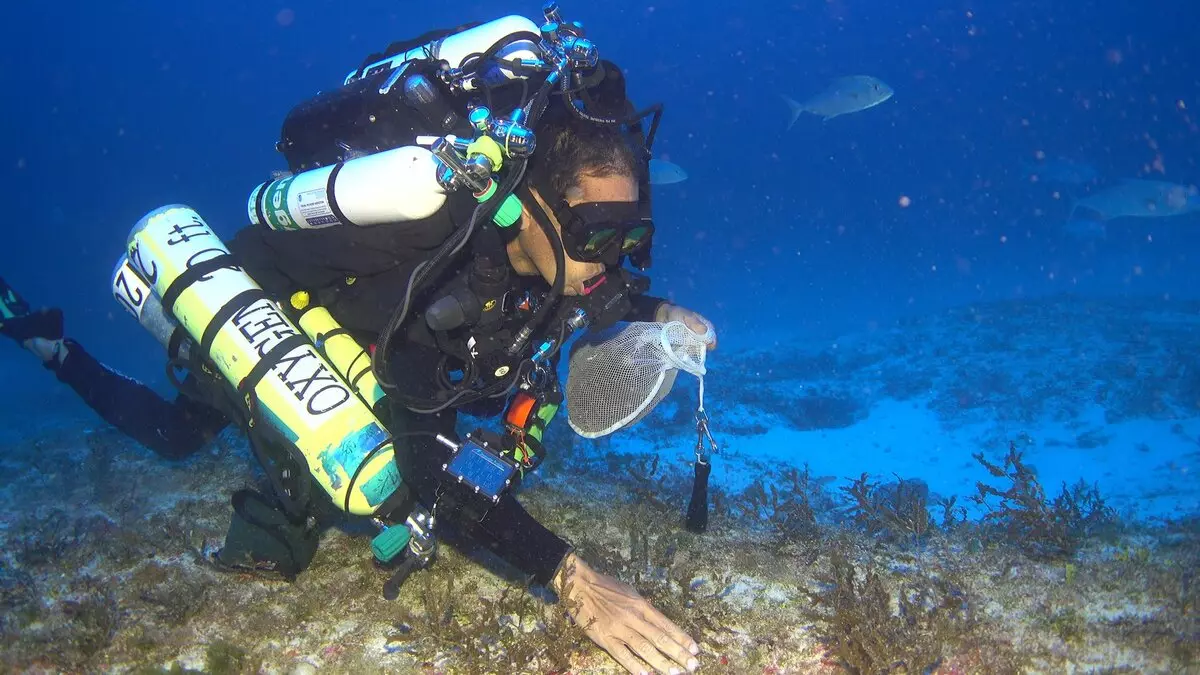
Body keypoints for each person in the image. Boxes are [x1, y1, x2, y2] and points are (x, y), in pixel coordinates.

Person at [3, 19, 717, 675]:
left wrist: (664, 310)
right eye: (595, 233)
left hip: (371, 336)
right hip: (283, 304)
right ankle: (53, 349)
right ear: (527, 205)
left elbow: (595, 288)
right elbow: (432, 468)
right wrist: (571, 576)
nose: (612, 256)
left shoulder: (557, 256)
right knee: (180, 434)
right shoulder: (438, 267)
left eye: (629, 235)